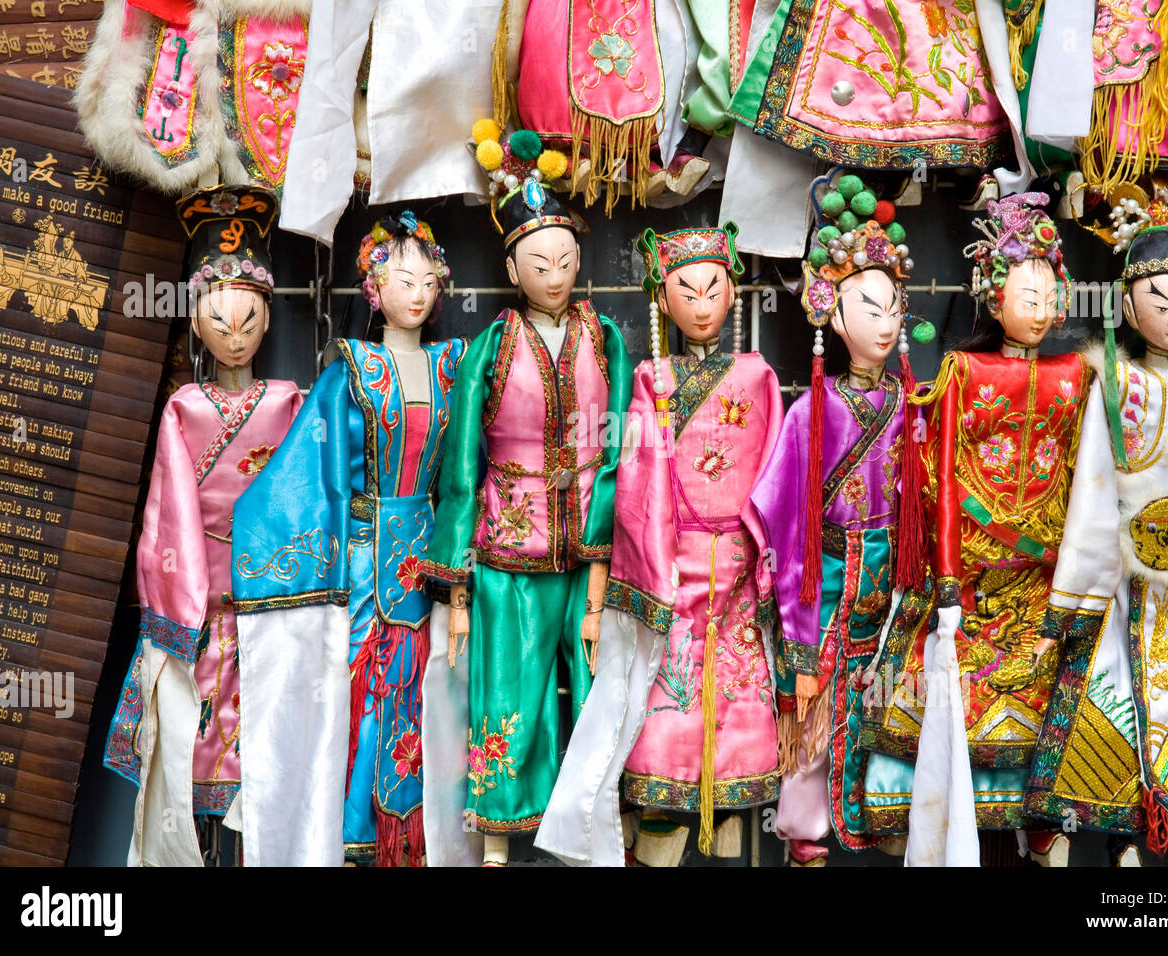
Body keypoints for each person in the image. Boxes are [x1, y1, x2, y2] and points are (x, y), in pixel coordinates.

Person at [537, 221, 783, 867]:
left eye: (713, 290)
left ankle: (728, 804)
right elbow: (640, 475)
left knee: (738, 684)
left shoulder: (758, 377)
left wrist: (765, 556)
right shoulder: (652, 378)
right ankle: (662, 810)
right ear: (663, 300)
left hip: (738, 554)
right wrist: (652, 559)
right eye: (687, 292)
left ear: (733, 294)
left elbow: (774, 474)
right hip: (673, 558)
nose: (701, 306)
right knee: (664, 685)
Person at [420, 129, 632, 865]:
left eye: (568, 261)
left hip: (589, 552)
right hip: (508, 551)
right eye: (539, 262)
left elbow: (619, 445)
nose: (555, 274)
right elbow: (462, 462)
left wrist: (605, 557)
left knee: (597, 690)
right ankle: (500, 838)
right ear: (512, 266)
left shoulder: (605, 337)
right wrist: (454, 583)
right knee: (507, 694)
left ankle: (595, 831)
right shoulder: (493, 344)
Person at [862, 191, 1092, 866]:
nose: (1042, 307)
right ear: (994, 299)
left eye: (1050, 293)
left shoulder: (1076, 375)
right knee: (953, 700)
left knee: (1052, 698)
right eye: (1028, 292)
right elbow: (946, 476)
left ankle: (1045, 824)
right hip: (977, 584)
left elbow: (1083, 476)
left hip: (1046, 579)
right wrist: (950, 579)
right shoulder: (963, 371)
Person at [229, 211, 465, 867]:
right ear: (374, 289)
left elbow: (464, 468)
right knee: (360, 693)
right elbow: (310, 467)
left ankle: (421, 837)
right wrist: (262, 527)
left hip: (435, 562)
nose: (416, 294)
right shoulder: (353, 368)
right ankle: (354, 837)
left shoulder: (456, 366)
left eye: (428, 281)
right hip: (365, 558)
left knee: (426, 689)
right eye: (402, 279)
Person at [1024, 190, 1168, 863]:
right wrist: (1066, 609)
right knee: (1118, 690)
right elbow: (1093, 500)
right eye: (1159, 301)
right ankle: (1130, 821)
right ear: (1126, 308)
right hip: (1134, 583)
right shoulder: (1114, 384)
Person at [103, 185, 302, 866]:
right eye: (221, 320)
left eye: (250, 319)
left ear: (268, 319)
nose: (237, 333)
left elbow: (305, 497)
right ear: (196, 321)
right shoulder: (184, 409)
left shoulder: (290, 404)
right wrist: (180, 608)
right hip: (202, 597)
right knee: (194, 744)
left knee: (266, 758)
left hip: (271, 600)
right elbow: (169, 511)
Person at [754, 172, 923, 865]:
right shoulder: (806, 413)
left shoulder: (915, 407)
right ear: (830, 312)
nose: (883, 323)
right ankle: (807, 836)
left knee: (886, 702)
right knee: (816, 709)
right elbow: (784, 518)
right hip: (824, 582)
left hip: (895, 585)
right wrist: (795, 620)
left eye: (893, 309)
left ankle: (883, 818)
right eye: (867, 307)